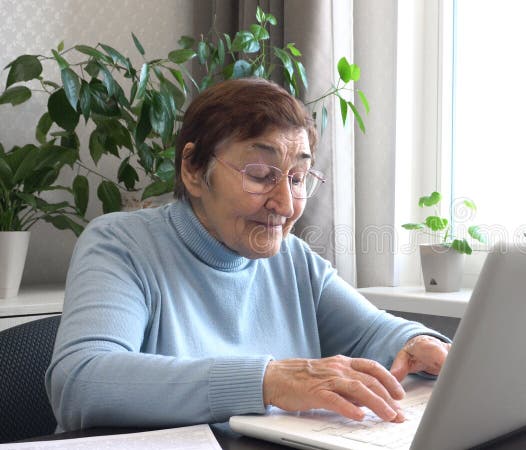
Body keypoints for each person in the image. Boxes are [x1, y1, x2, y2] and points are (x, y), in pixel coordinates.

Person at [46, 78, 451, 432]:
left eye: (297, 178)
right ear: (193, 169)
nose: (285, 203)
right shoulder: (121, 245)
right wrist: (269, 380)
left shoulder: (293, 259)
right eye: (260, 175)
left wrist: (417, 342)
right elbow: (80, 381)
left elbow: (372, 332)